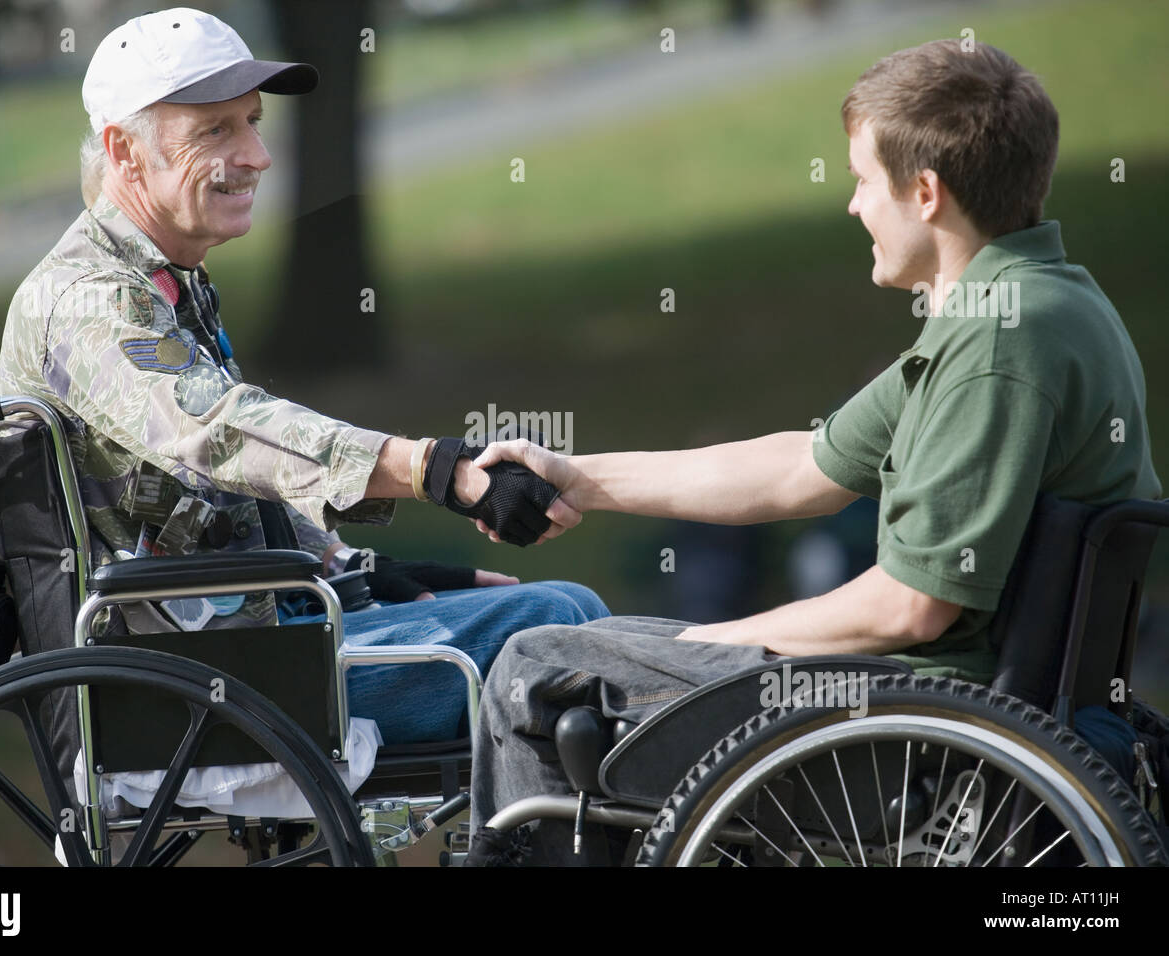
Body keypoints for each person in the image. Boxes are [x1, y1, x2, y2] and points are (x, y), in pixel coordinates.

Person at [465, 38, 1161, 865]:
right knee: (584, 644)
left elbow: (909, 607)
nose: (852, 205)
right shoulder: (1039, 302)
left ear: (926, 194)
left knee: (533, 664)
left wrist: (720, 641)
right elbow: (802, 467)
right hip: (944, 701)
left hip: (923, 721)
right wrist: (581, 477)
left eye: (864, 180)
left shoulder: (996, 345)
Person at [0, 7, 606, 753]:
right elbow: (214, 430)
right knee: (562, 629)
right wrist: (433, 468)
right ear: (124, 150)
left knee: (563, 618)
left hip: (249, 648)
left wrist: (362, 569)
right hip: (203, 688)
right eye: (216, 130)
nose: (257, 154)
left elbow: (213, 496)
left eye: (251, 121)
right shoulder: (89, 301)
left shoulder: (159, 282)